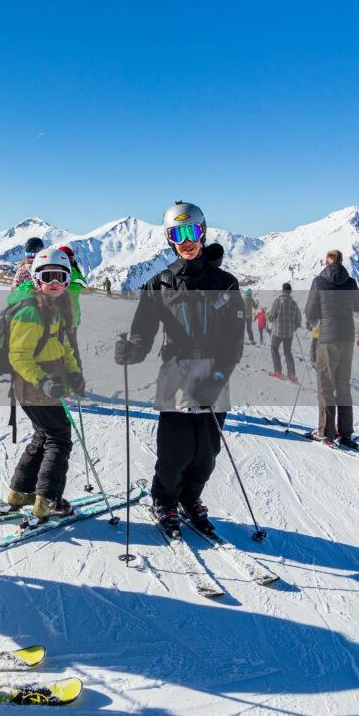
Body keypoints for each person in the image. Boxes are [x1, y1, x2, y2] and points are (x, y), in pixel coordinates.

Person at [115, 201, 245, 537]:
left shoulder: (226, 283)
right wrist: (131, 350)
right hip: (175, 372)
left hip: (215, 371)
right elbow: (143, 333)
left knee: (207, 451)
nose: (186, 240)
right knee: (176, 449)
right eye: (177, 234)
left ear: (203, 232)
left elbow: (234, 340)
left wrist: (217, 378)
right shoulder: (160, 284)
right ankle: (165, 500)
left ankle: (190, 497)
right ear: (169, 239)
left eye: (192, 231)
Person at [0, 248, 84, 523]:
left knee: (43, 436)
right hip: (34, 384)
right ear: (36, 279)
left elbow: (62, 346)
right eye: (48, 277)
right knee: (59, 438)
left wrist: (74, 372)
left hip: (41, 384)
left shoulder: (54, 308)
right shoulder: (31, 312)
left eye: (61, 277)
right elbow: (18, 356)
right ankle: (48, 501)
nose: (55, 283)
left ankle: (20, 494)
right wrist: (43, 382)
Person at [304, 250, 359, 447]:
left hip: (328, 338)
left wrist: (314, 320)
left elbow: (310, 310)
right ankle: (345, 432)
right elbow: (358, 306)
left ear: (327, 262)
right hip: (347, 337)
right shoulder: (351, 282)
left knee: (326, 385)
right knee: (343, 385)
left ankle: (325, 432)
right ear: (341, 262)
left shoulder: (320, 281)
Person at [266, 283, 302, 381]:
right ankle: (291, 375)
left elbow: (271, 317)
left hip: (277, 332)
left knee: (274, 349)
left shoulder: (277, 301)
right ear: (290, 292)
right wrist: (294, 327)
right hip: (289, 334)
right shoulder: (294, 303)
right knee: (287, 352)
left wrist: (267, 315)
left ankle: (278, 372)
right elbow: (299, 320)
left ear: (282, 290)